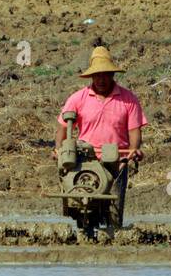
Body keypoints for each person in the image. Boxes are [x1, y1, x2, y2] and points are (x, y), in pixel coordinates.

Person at [54, 46, 148, 224]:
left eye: (105, 74)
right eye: (97, 75)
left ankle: (112, 233)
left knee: (113, 212)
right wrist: (58, 150)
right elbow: (62, 128)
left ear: (112, 75)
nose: (101, 79)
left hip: (116, 160)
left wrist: (133, 150)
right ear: (91, 76)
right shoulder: (77, 99)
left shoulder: (128, 99)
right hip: (85, 160)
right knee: (82, 208)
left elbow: (134, 130)